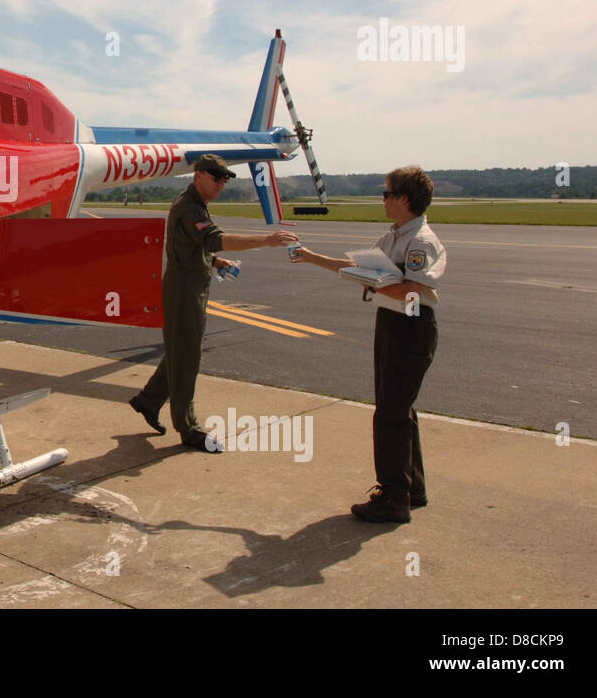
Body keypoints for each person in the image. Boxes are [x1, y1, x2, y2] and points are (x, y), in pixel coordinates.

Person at [290, 165, 446, 522]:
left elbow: (410, 288)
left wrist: (375, 283)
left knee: (390, 414)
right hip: (391, 322)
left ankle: (393, 499)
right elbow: (358, 267)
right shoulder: (394, 236)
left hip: (411, 326)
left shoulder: (420, 241)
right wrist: (313, 257)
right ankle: (412, 488)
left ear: (404, 199)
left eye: (387, 193)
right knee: (398, 409)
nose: (383, 199)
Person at [129, 154, 299, 450]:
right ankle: (188, 427)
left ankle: (148, 400)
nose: (222, 183)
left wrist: (216, 262)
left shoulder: (196, 204)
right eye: (216, 177)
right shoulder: (190, 208)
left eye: (225, 179)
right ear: (199, 176)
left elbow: (197, 246)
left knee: (181, 351)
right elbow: (214, 239)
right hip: (184, 290)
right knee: (187, 358)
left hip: (191, 284)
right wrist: (265, 240)